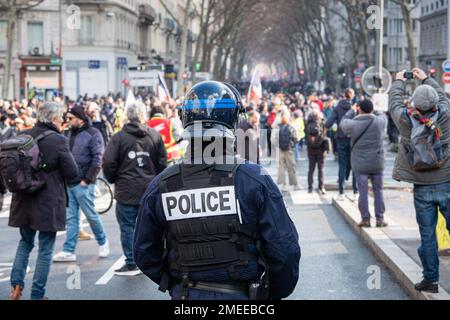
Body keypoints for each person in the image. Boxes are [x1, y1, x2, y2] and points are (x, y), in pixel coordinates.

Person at [134, 81, 301, 300]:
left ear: (185, 120)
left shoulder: (161, 185)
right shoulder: (254, 180)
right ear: (233, 121)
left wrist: (177, 284)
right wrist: (271, 293)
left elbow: (143, 252)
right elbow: (284, 249)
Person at [7, 102, 78, 300]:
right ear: (54, 119)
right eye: (62, 117)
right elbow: (72, 173)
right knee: (45, 250)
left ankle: (15, 287)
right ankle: (37, 295)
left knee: (25, 243)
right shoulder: (58, 140)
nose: (63, 120)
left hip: (23, 199)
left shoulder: (24, 135)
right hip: (48, 202)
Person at [389, 68, 450, 294]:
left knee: (427, 235)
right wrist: (425, 78)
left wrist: (398, 82)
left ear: (414, 104)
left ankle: (431, 280)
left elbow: (394, 103)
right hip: (446, 180)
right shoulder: (445, 114)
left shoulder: (406, 120)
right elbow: (442, 96)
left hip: (421, 185)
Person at [102, 101, 167, 276]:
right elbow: (162, 163)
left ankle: (131, 262)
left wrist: (114, 179)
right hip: (150, 188)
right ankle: (151, 259)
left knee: (128, 227)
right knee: (152, 226)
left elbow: (108, 163)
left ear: (127, 116)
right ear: (143, 116)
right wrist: (157, 180)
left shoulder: (118, 137)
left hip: (126, 190)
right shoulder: (154, 135)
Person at [53, 105, 109, 262]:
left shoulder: (93, 134)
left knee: (91, 215)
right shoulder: (69, 133)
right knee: (71, 218)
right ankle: (68, 250)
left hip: (83, 183)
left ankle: (103, 242)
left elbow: (98, 159)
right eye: (67, 118)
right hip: (70, 182)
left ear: (80, 118)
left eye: (70, 118)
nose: (68, 121)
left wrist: (88, 179)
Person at [340, 100, 387, 228]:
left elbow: (342, 123)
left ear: (359, 109)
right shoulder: (380, 122)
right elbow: (383, 115)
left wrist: (351, 111)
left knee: (363, 192)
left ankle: (365, 219)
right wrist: (376, 110)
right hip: (377, 162)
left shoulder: (353, 124)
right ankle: (380, 219)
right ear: (371, 109)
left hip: (360, 165)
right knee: (378, 191)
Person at [326, 88, 358, 201]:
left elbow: (328, 123)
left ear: (344, 95)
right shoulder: (355, 108)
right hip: (353, 139)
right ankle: (355, 192)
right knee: (355, 166)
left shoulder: (337, 107)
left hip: (341, 139)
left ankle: (341, 192)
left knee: (342, 165)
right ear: (352, 96)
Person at [275, 110, 300, 191]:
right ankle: (295, 185)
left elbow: (273, 139)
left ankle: (283, 185)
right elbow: (295, 139)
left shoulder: (277, 127)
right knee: (291, 167)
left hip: (280, 150)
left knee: (281, 168)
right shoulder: (291, 127)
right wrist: (292, 144)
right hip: (289, 150)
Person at [305, 109, 327, 195]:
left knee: (311, 168)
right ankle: (321, 187)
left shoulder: (307, 123)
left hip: (310, 149)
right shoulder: (321, 123)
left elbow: (306, 136)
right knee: (320, 169)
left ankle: (310, 187)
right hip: (320, 149)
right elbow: (324, 135)